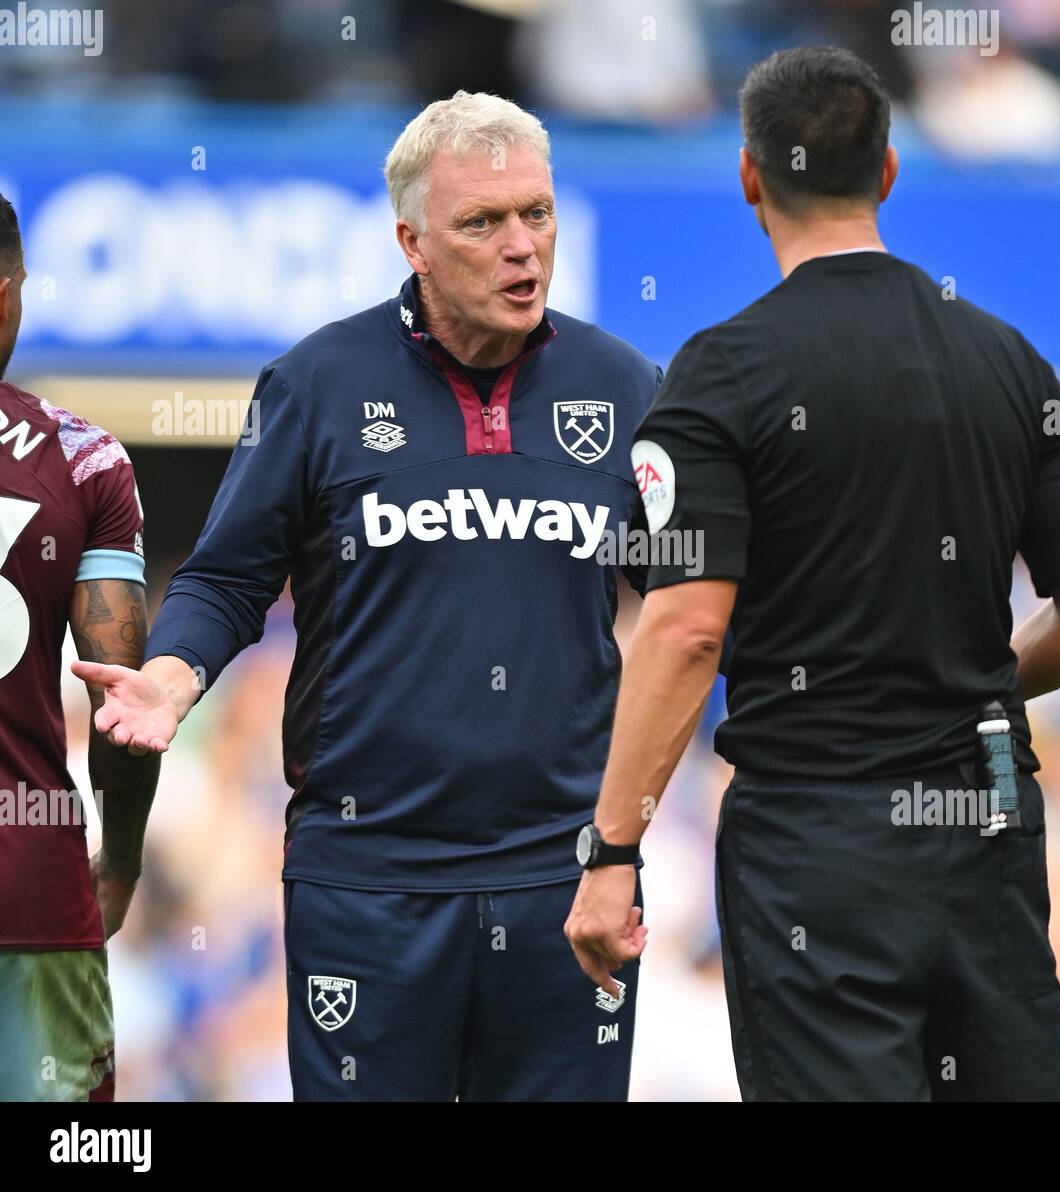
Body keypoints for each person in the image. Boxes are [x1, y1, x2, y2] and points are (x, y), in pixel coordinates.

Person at [565, 46, 1060, 1102]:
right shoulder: (1010, 359)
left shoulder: (720, 374)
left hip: (813, 842)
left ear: (749, 177)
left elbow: (688, 629)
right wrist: (980, 687)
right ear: (886, 171)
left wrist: (612, 850)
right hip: (984, 815)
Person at [75, 92, 659, 1101]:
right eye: (482, 223)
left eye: (537, 213)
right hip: (367, 881)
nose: (522, 247)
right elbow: (224, 576)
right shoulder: (317, 384)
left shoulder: (625, 388)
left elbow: (701, 600)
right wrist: (171, 680)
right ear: (413, 242)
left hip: (564, 881)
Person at [0, 193, 159, 1101]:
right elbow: (122, 701)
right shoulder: (86, 460)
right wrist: (122, 856)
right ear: (9, 294)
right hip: (30, 897)